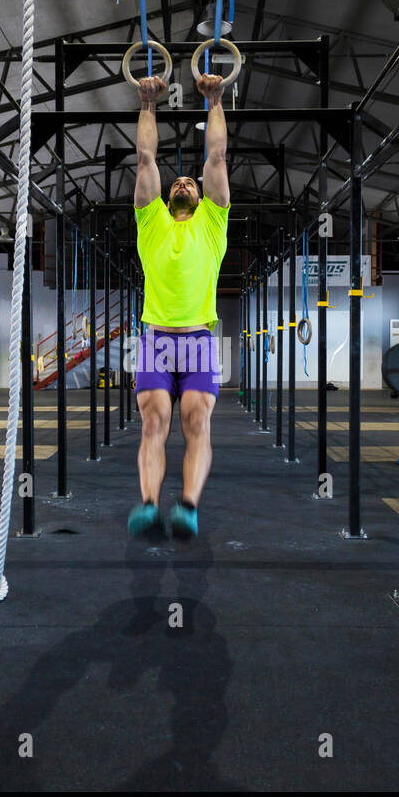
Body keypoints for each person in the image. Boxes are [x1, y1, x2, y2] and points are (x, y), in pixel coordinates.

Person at [126, 70, 230, 540]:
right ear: (169, 196)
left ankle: (188, 505)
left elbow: (216, 154)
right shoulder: (151, 223)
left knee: (196, 420)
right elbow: (145, 157)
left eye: (191, 180)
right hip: (154, 339)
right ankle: (149, 504)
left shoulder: (212, 222)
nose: (186, 181)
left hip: (201, 340)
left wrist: (215, 100)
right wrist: (148, 103)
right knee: (153, 422)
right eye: (179, 182)